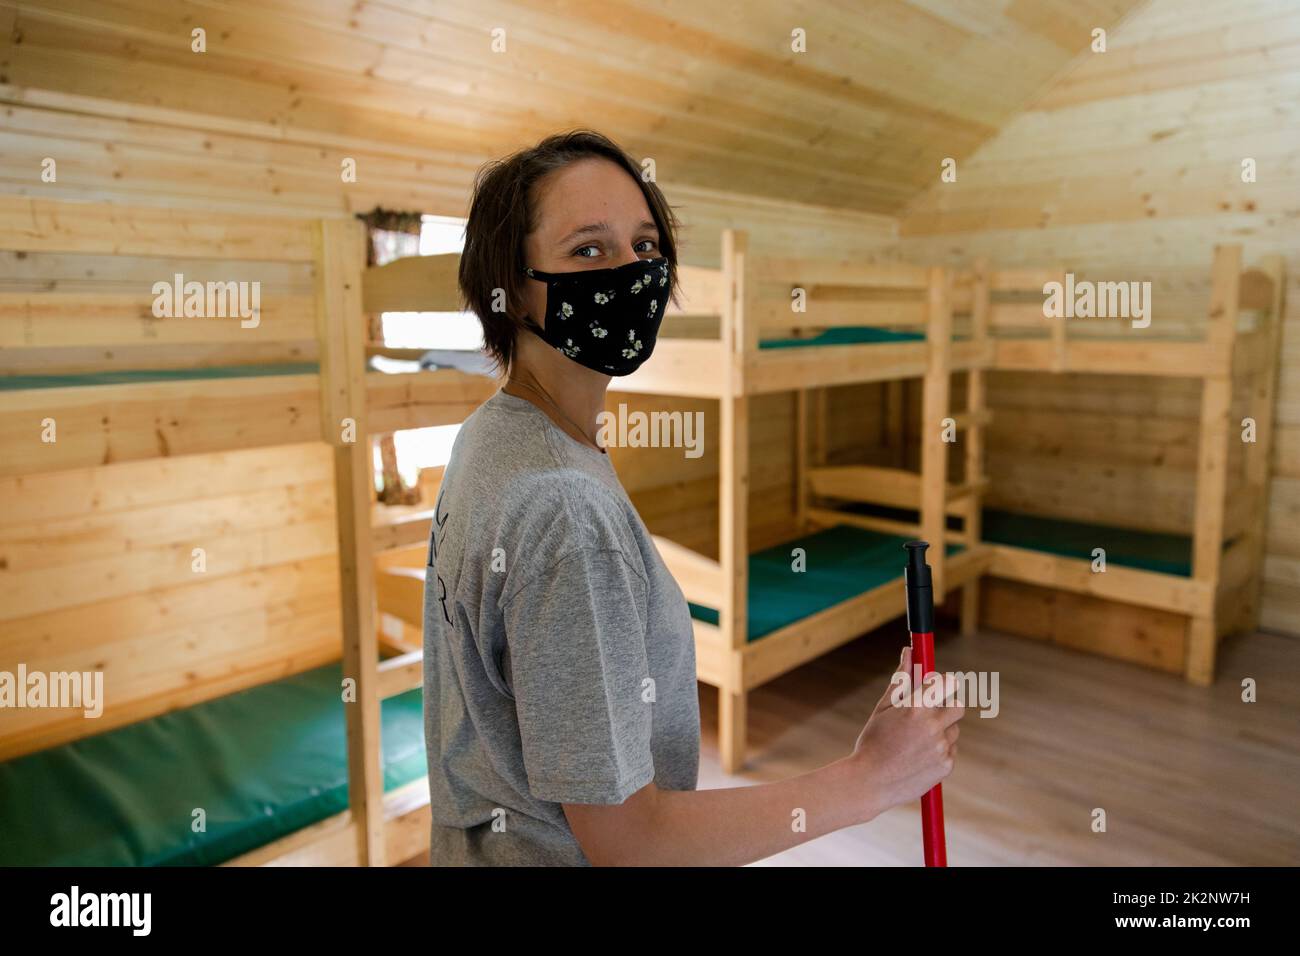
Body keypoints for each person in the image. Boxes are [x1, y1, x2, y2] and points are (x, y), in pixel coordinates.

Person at [423, 129, 962, 865]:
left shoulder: (489, 436)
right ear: (509, 287)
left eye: (646, 246)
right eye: (589, 250)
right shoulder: (564, 510)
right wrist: (869, 779)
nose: (633, 273)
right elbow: (632, 843)